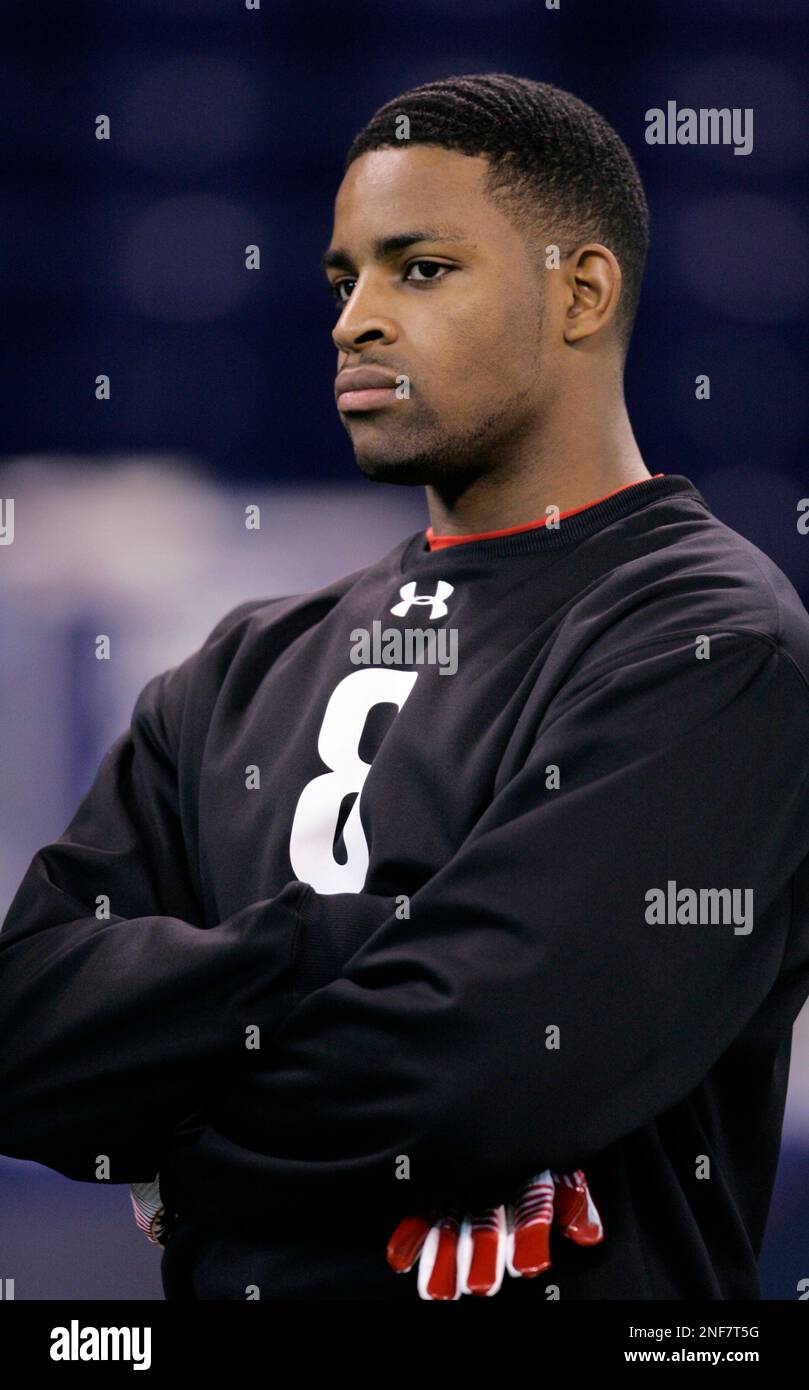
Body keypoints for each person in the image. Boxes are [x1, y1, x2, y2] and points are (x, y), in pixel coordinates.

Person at [3, 72, 809, 1302]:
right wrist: (353, 939)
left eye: (418, 268)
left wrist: (178, 1128)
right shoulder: (234, 671)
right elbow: (25, 1025)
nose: (353, 322)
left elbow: (487, 1067)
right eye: (342, 280)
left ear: (579, 290)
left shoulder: (710, 643)